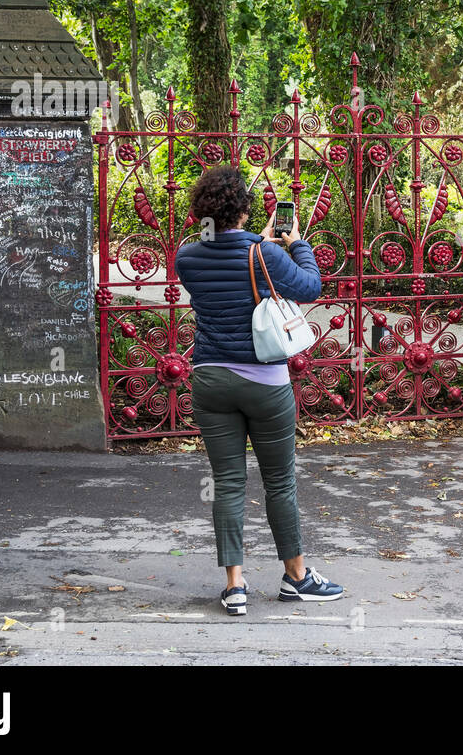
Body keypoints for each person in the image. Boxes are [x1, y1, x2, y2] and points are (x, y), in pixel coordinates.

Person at [175, 165, 344, 616]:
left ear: (201, 210)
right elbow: (310, 285)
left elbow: (219, 275)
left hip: (210, 379)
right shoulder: (262, 253)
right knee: (279, 483)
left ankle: (234, 587)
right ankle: (296, 577)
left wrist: (259, 244)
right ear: (246, 210)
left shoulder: (185, 257)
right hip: (264, 382)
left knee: (227, 484)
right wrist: (294, 244)